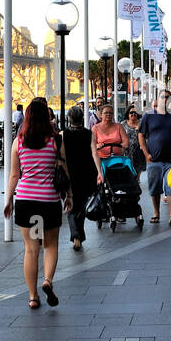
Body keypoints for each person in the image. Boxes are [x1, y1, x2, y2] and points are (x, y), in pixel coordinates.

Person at [3, 98, 72, 309]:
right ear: (48, 117)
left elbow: (15, 175)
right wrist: (69, 195)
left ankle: (33, 297)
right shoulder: (56, 140)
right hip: (49, 201)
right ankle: (47, 280)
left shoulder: (19, 141)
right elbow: (64, 171)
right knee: (50, 245)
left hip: (26, 200)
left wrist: (9, 200)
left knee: (31, 249)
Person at [139, 89, 171, 225]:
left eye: (168, 98)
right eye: (163, 97)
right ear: (157, 99)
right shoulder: (149, 115)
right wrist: (146, 153)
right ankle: (156, 213)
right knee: (154, 187)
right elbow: (141, 134)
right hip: (154, 159)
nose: (166, 99)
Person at [63, 105, 96, 251]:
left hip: (70, 173)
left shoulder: (63, 134)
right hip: (86, 173)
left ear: (69, 118)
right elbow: (94, 153)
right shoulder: (89, 134)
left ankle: (76, 236)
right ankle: (78, 237)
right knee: (81, 206)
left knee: (71, 205)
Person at [91, 102, 131, 181]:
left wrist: (120, 145)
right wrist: (97, 146)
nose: (108, 114)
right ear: (101, 115)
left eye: (110, 113)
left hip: (117, 159)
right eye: (106, 113)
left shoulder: (119, 126)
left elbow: (126, 142)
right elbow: (92, 145)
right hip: (102, 160)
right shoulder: (95, 128)